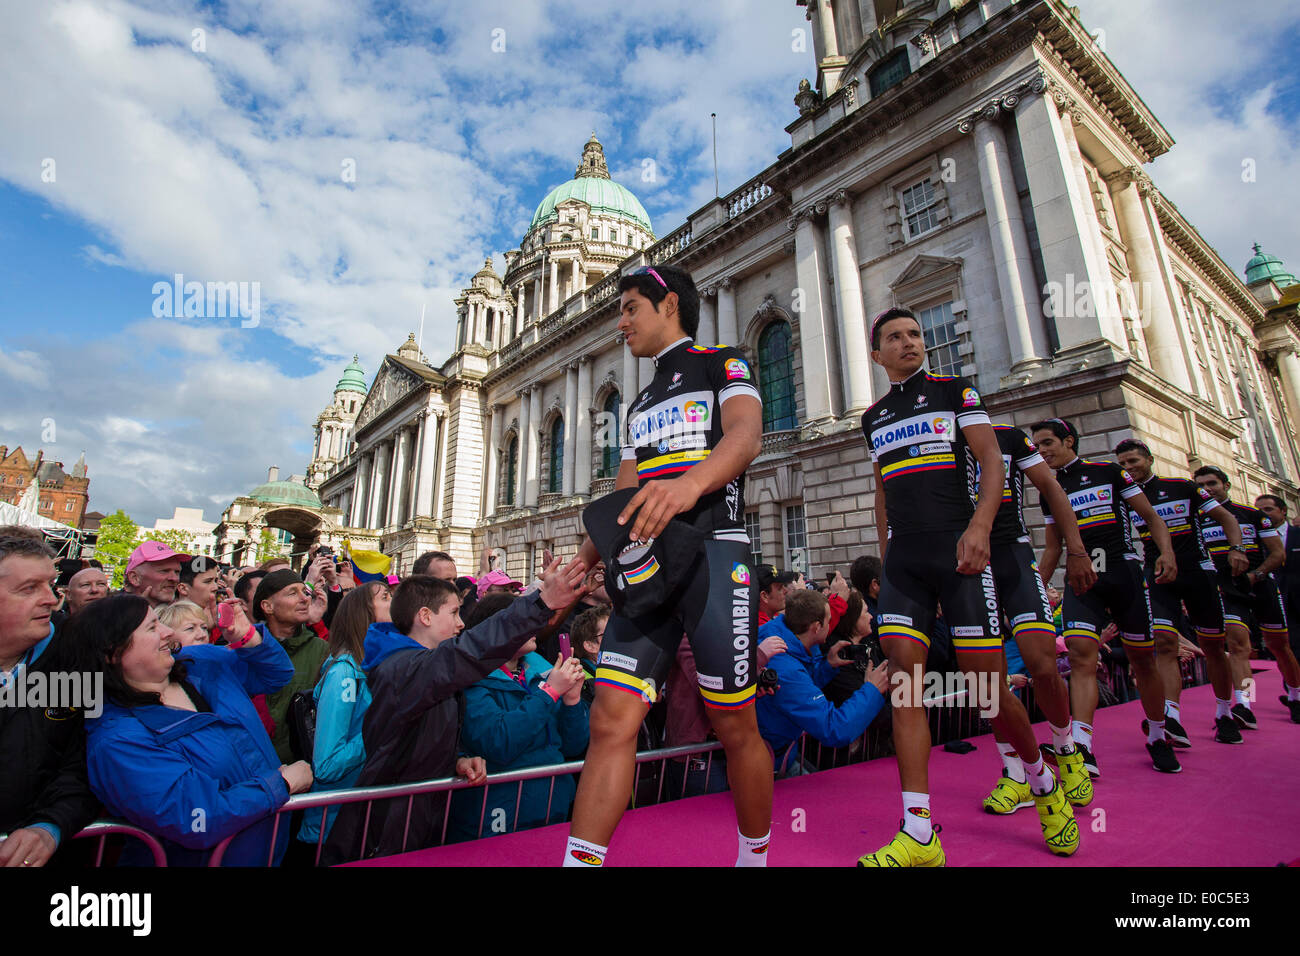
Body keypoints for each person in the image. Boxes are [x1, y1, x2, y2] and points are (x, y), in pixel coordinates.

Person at [565, 263, 772, 868]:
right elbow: (624, 502)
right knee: (610, 722)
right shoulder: (641, 402)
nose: (621, 321)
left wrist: (686, 488)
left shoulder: (724, 362)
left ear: (669, 305)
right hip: (646, 574)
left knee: (735, 726)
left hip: (716, 559)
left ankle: (754, 858)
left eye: (631, 307)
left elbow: (745, 438)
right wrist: (583, 562)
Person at [857, 307, 1033, 867]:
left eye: (915, 334)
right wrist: (885, 554)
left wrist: (980, 528)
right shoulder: (873, 416)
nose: (910, 342)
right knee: (906, 691)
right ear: (877, 354)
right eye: (895, 337)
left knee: (989, 692)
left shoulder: (957, 391)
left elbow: (991, 461)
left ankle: (1044, 783)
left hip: (959, 556)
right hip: (906, 563)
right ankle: (919, 833)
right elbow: (884, 488)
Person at [324, 558, 586, 862]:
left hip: (422, 813)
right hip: (388, 824)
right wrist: (540, 602)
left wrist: (456, 760)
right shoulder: (404, 668)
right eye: (454, 613)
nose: (461, 623)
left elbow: (421, 737)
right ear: (425, 616)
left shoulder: (417, 666)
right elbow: (471, 651)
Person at [75, 593, 311, 866]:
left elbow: (276, 674)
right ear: (113, 653)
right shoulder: (119, 740)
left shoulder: (199, 661)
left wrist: (247, 637)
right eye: (152, 628)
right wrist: (281, 785)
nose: (167, 632)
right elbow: (196, 818)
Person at [1032, 419, 1181, 774]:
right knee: (1083, 659)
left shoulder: (1110, 473)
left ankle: (1159, 734)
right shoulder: (1048, 487)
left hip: (1123, 573)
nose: (1041, 451)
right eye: (1036, 446)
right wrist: (1036, 584)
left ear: (1069, 441)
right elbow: (1053, 547)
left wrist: (1166, 553)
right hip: (1082, 580)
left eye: (1047, 443)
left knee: (1142, 661)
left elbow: (1152, 518)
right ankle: (1082, 746)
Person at [980, 422, 1098, 828]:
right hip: (969, 565)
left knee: (1042, 665)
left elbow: (1051, 488)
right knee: (987, 681)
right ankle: (1015, 772)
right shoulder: (934, 440)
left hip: (1013, 555)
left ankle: (1066, 749)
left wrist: (1077, 551)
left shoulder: (1007, 436)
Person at [1114, 440, 1247, 745]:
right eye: (1122, 464)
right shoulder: (1126, 496)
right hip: (1159, 574)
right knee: (1164, 642)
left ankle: (1235, 707)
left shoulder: (1183, 487)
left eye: (1133, 461)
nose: (1129, 468)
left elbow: (1228, 519)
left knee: (1229, 647)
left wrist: (1236, 549)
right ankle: (1171, 716)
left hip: (1205, 575)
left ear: (1149, 459)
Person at [448, 598, 590, 842]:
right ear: (496, 629)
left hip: (552, 804)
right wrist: (549, 694)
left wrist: (572, 702)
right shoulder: (472, 682)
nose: (535, 627)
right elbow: (498, 742)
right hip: (498, 813)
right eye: (524, 621)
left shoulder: (539, 674)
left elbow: (573, 746)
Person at [0, 527, 100, 868]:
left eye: (50, 583)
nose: (51, 597)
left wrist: (50, 826)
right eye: (29, 588)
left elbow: (83, 763)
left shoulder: (74, 661)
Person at [296, 581, 391, 855]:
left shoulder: (374, 667)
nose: (394, 602)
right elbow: (327, 765)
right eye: (385, 597)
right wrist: (379, 731)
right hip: (331, 831)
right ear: (365, 613)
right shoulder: (343, 673)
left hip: (362, 823)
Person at [1193, 466, 1287, 729]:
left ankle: (1295, 693)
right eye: (1202, 485)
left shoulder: (1253, 515)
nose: (1208, 489)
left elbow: (1278, 554)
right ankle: (1245, 705)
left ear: (1226, 485)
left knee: (1279, 646)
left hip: (1260, 585)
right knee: (1237, 647)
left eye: (1212, 483)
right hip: (1228, 590)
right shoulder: (1198, 519)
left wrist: (1255, 575)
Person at [757, 589, 889, 774]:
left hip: (779, 753)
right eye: (829, 621)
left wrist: (827, 666)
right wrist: (872, 690)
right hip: (768, 763)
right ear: (817, 627)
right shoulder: (786, 669)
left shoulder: (780, 639)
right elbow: (834, 728)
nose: (832, 626)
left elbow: (798, 692)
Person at [252, 569, 330, 763]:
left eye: (304, 592)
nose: (304, 598)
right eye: (292, 593)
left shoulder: (321, 650)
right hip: (255, 768)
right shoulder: (249, 651)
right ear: (267, 606)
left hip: (303, 768)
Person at [1253, 494, 1300, 722]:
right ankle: (1294, 694)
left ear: (1283, 511)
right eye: (1260, 510)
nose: (1264, 514)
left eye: (1269, 509)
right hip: (1274, 601)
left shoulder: (1297, 535)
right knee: (1288, 648)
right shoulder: (1255, 541)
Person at [122, 541, 183, 608]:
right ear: (134, 578)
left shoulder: (185, 615)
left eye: (177, 572)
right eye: (164, 571)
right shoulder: (112, 614)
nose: (174, 578)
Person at [177, 556, 223, 625]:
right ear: (183, 589)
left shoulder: (221, 619)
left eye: (215, 581)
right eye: (207, 581)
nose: (215, 587)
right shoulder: (166, 623)